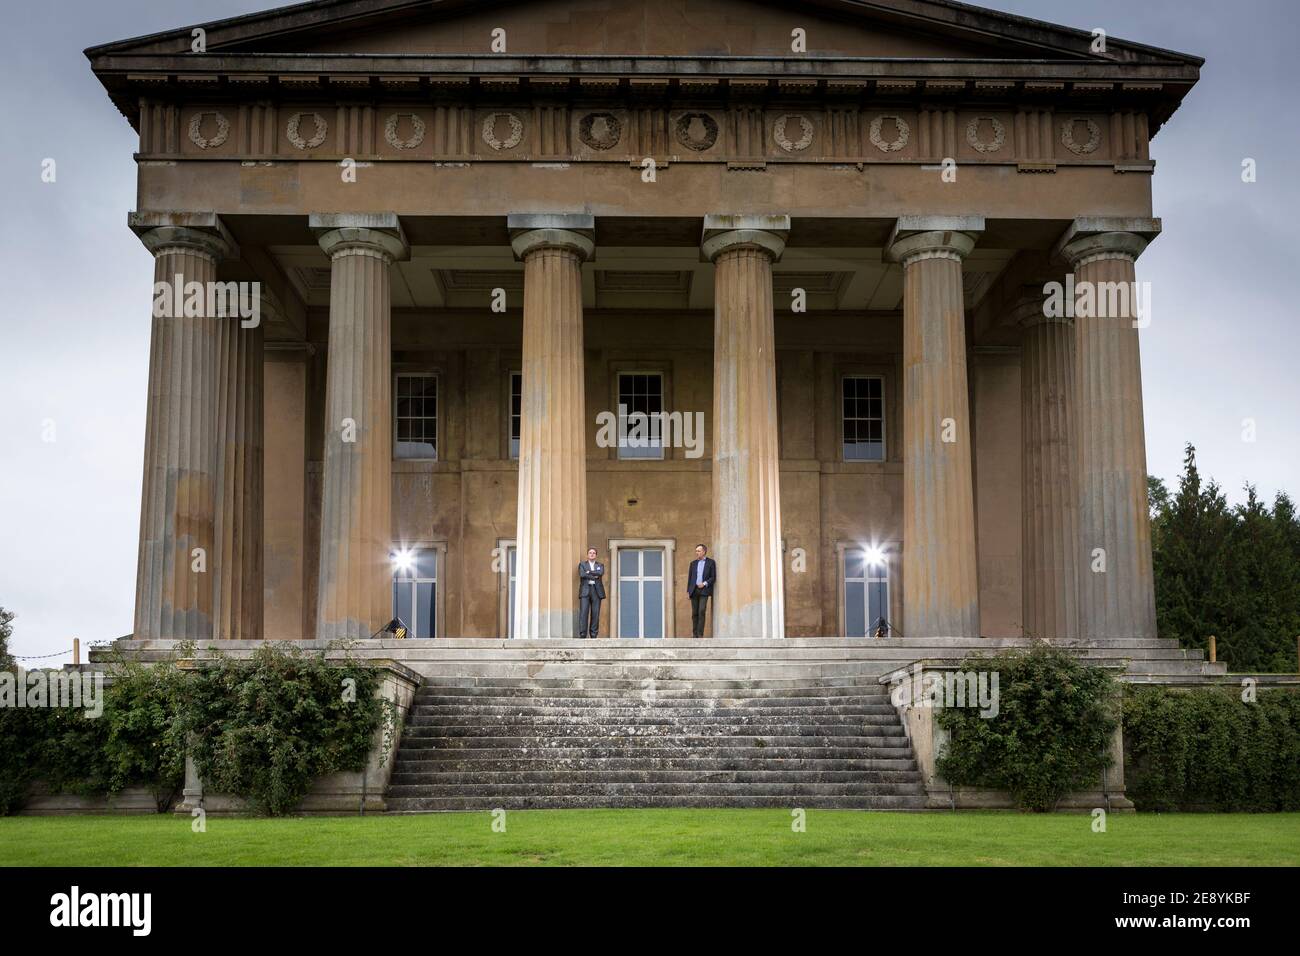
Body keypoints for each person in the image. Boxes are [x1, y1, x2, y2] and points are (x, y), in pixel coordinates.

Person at [685, 543, 716, 638]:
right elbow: (690, 578)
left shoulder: (711, 562)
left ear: (704, 551)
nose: (696, 553)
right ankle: (694, 634)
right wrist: (688, 591)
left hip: (704, 590)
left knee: (701, 611)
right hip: (693, 590)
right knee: (694, 613)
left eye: (698, 551)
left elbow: (713, 577)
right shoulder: (693, 563)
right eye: (696, 551)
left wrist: (704, 583)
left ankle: (700, 634)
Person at [577, 548, 606, 639]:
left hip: (596, 591)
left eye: (594, 553)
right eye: (590, 553)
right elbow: (582, 574)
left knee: (595, 613)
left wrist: (589, 572)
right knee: (584, 612)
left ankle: (593, 634)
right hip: (585, 590)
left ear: (596, 555)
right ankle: (583, 634)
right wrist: (594, 576)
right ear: (587, 555)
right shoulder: (582, 564)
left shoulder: (600, 565)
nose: (592, 554)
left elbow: (600, 573)